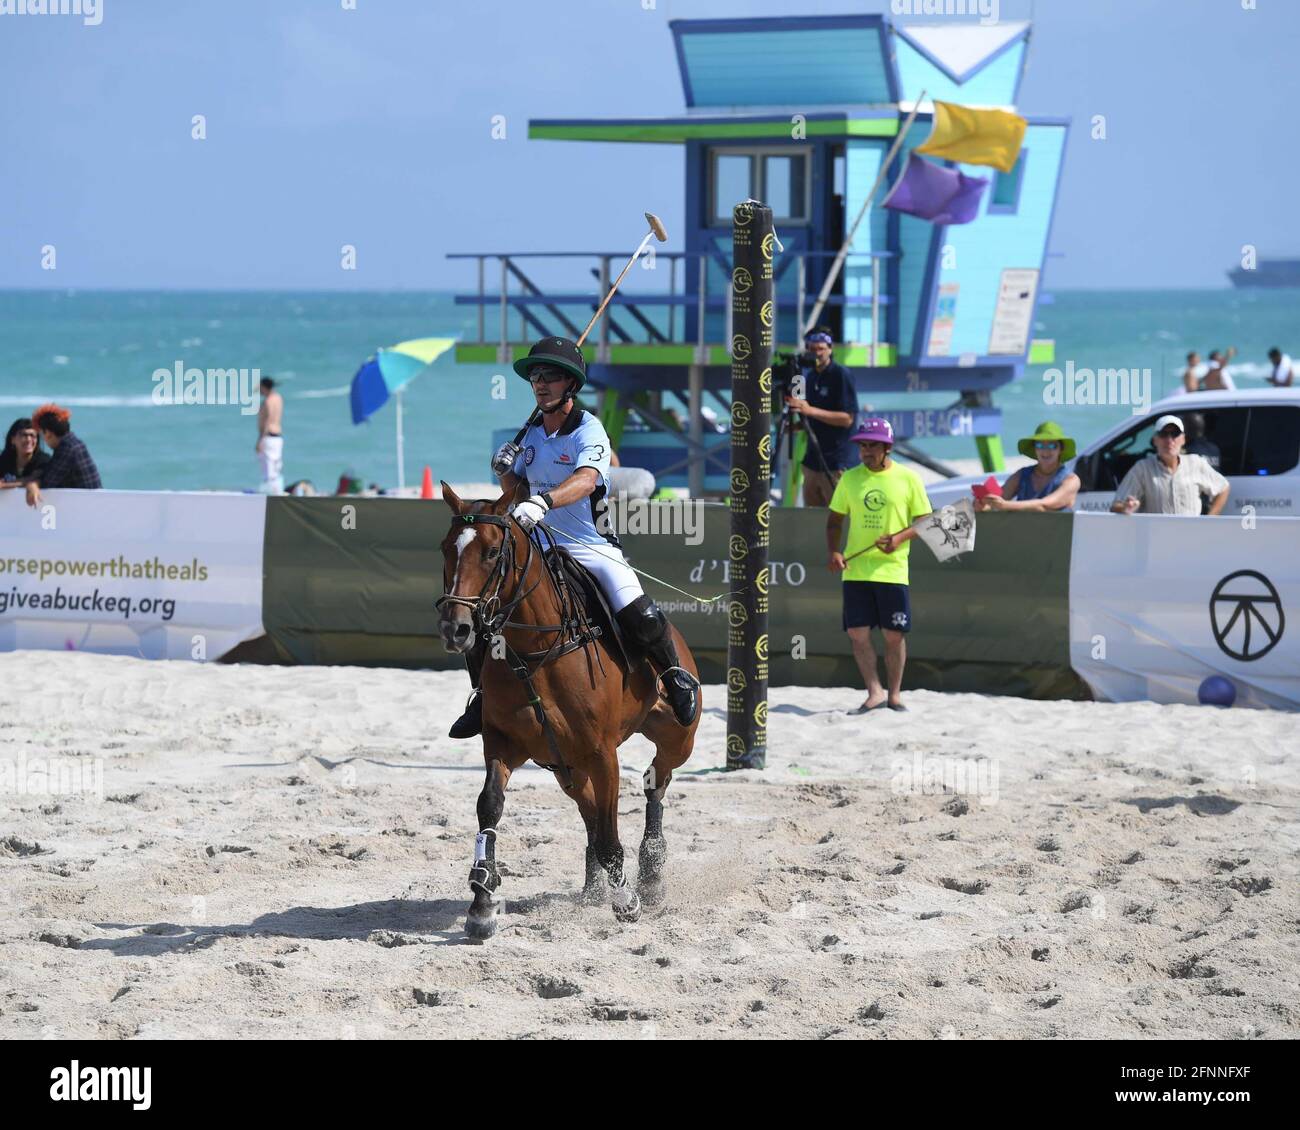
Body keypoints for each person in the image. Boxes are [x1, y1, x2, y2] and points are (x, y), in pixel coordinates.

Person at [447, 336, 700, 738]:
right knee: (483, 610)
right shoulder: (527, 438)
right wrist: (505, 474)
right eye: (535, 376)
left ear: (571, 385)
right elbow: (518, 493)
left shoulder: (590, 430)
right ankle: (483, 694)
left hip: (591, 546)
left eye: (550, 376)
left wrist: (544, 502)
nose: (540, 383)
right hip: (539, 545)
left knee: (641, 613)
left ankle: (672, 677)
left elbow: (585, 480)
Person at [826, 417, 932, 714]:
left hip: (893, 569)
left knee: (893, 635)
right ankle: (874, 691)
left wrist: (900, 538)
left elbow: (926, 520)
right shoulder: (850, 479)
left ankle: (895, 694)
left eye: (873, 445)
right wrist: (834, 551)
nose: (866, 451)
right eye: (862, 445)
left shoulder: (909, 479)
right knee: (857, 633)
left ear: (887, 447)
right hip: (856, 570)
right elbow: (834, 520)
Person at [784, 327, 858, 507]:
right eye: (811, 349)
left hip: (835, 463)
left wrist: (809, 410)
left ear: (830, 349)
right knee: (813, 518)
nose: (816, 354)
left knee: (837, 518)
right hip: (811, 463)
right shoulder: (809, 377)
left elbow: (847, 419)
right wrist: (795, 426)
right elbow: (812, 416)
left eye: (821, 349)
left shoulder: (840, 374)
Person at [1110, 414, 1229, 516]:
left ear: (1183, 439)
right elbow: (1116, 505)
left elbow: (1223, 487)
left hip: (1192, 538)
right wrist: (1126, 508)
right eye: (1164, 434)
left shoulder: (1195, 463)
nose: (1169, 440)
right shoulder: (1142, 468)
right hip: (1157, 539)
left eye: (1175, 434)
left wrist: (1210, 519)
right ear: (1155, 440)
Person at [977, 420, 1079, 512]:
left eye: (1052, 445)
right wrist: (982, 505)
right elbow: (997, 500)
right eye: (1040, 445)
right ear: (1034, 449)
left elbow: (1044, 505)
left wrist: (1005, 505)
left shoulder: (1071, 480)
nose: (1045, 450)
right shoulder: (1021, 475)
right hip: (1023, 532)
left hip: (1057, 532)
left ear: (1061, 449)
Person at [22, 404, 102, 507]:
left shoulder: (67, 448)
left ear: (48, 433)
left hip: (88, 506)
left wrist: (32, 484)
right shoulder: (74, 442)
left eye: (42, 434)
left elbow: (48, 482)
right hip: (93, 502)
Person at [0, 417, 51, 489]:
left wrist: (5, 485)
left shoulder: (43, 461)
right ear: (12, 440)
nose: (28, 440)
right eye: (23, 435)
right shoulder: (4, 460)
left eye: (32, 435)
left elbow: (33, 480)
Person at [257, 377, 284, 493]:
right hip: (278, 436)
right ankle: (277, 489)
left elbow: (267, 422)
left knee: (268, 468)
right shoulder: (278, 398)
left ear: (264, 387)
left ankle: (271, 492)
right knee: (276, 466)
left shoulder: (267, 402)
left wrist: (260, 440)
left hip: (268, 436)